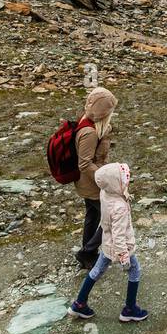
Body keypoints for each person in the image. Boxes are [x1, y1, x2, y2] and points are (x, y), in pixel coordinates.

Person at [69, 162, 148, 322]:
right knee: (135, 270)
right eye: (124, 180)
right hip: (121, 246)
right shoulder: (119, 207)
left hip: (106, 242)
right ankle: (130, 309)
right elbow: (119, 235)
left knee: (97, 271)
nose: (127, 182)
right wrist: (124, 255)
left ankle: (79, 304)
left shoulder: (105, 193)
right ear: (115, 183)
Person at [74, 86, 117, 270]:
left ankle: (88, 255)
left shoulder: (88, 123)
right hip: (92, 183)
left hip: (87, 182)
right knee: (111, 217)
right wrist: (106, 180)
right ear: (103, 112)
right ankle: (86, 252)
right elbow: (84, 163)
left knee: (93, 215)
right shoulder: (90, 132)